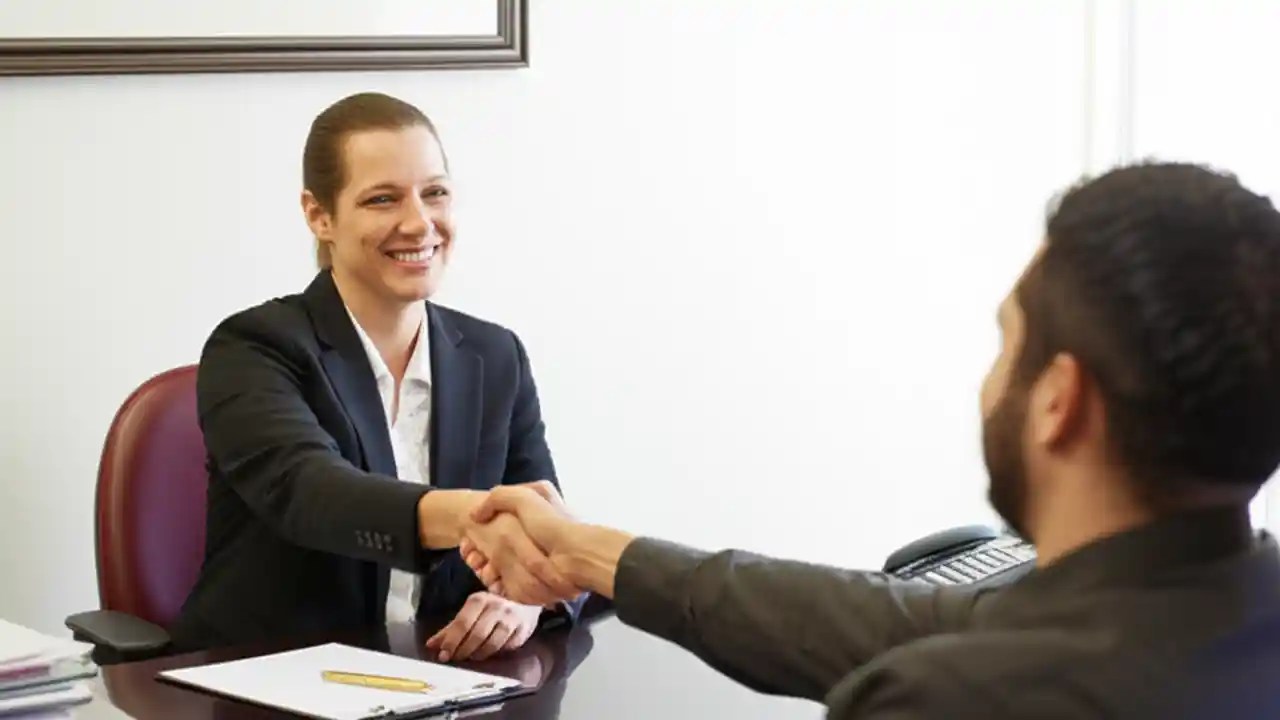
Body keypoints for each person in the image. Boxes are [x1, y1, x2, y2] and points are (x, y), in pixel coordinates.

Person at [459, 162, 1280, 718]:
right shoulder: (1229, 606)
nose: (991, 380)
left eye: (1006, 343)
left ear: (1058, 400)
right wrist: (588, 553)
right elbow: (893, 619)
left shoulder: (943, 701)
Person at [170, 92, 584, 661]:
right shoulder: (254, 347)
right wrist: (475, 517)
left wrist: (529, 598)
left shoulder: (495, 356)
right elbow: (314, 494)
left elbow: (545, 523)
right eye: (383, 199)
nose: (419, 223)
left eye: (434, 192)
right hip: (270, 679)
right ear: (320, 215)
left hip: (438, 676)